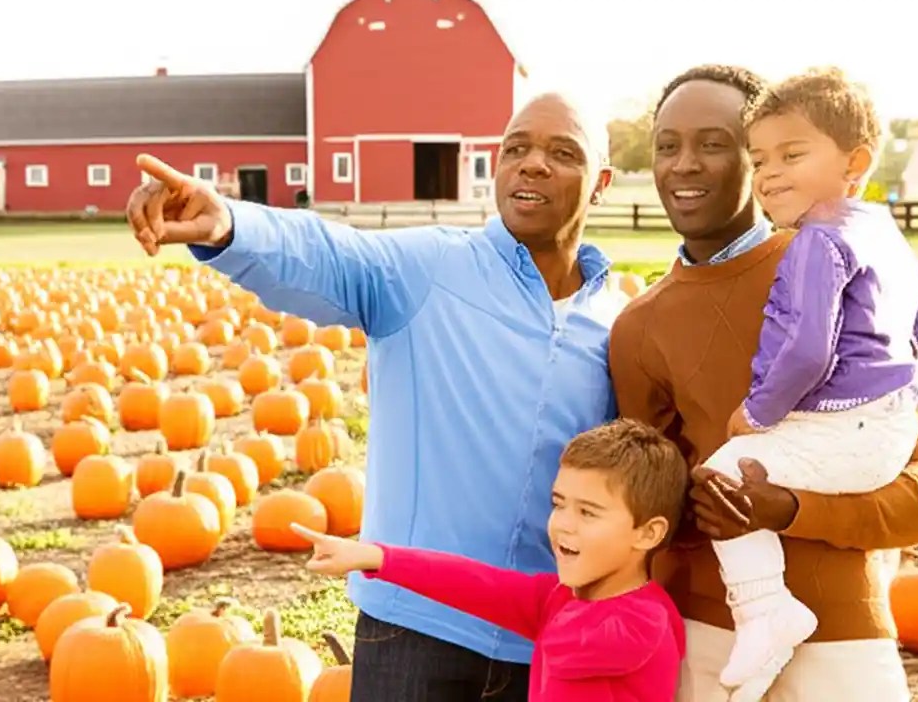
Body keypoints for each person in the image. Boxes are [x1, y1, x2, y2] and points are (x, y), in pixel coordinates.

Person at [126, 92, 621, 701]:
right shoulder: (428, 268)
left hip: (548, 633)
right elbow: (330, 253)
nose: (532, 164)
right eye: (515, 148)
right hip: (416, 626)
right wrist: (231, 225)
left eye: (561, 152)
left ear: (600, 183)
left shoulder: (618, 321)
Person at [608, 64, 918, 702]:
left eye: (714, 143)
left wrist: (796, 511)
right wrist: (684, 513)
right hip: (705, 640)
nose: (684, 165)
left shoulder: (836, 268)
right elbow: (650, 506)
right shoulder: (638, 326)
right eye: (667, 146)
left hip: (843, 638)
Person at [699, 67, 918, 699]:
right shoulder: (883, 231)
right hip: (888, 424)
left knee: (727, 471)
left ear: (854, 161)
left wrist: (755, 412)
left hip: (847, 425)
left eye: (792, 154)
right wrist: (906, 387)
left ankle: (764, 609)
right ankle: (766, 625)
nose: (770, 173)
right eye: (759, 159)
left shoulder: (817, 240)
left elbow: (807, 348)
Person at [288, 418, 690, 701]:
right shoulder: (563, 598)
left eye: (588, 512)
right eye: (558, 504)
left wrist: (529, 606)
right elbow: (475, 583)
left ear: (648, 532)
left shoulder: (642, 622)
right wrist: (378, 556)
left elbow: (562, 642)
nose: (563, 525)